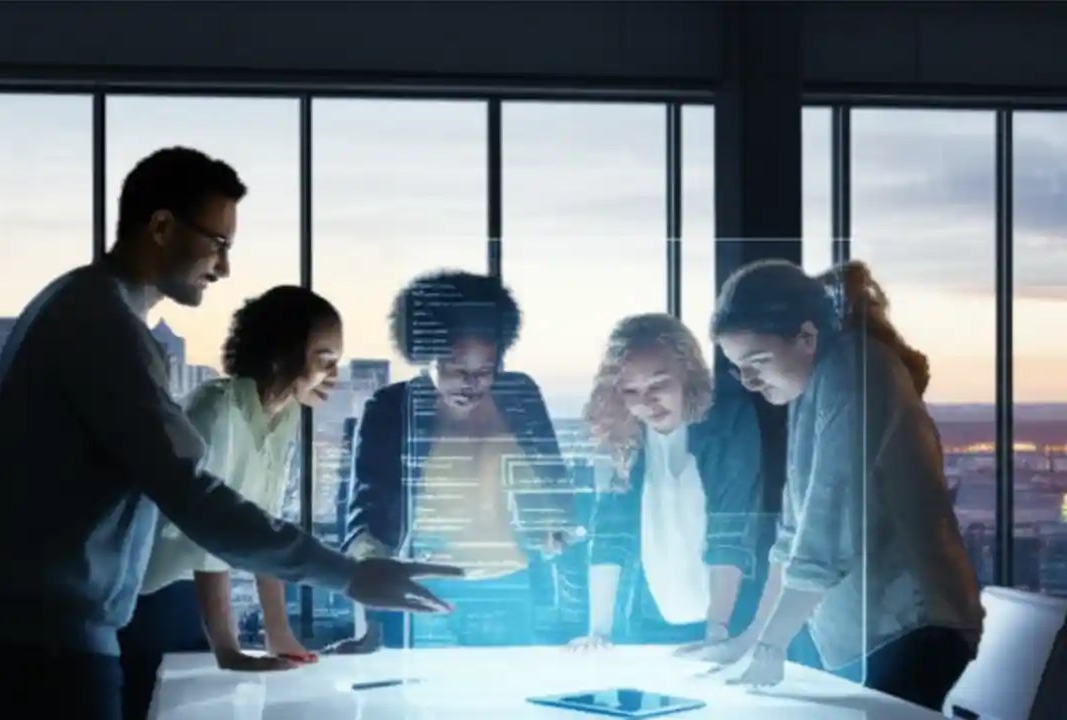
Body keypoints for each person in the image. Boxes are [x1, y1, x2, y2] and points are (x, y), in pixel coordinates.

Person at [0, 147, 460, 720]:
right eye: (218, 244)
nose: (223, 268)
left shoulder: (84, 307)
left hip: (33, 619)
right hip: (42, 629)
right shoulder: (103, 328)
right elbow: (194, 499)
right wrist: (351, 575)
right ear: (161, 226)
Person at [697, 258, 983, 711]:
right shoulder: (814, 384)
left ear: (806, 338)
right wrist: (754, 638)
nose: (750, 382)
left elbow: (828, 527)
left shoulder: (855, 371)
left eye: (758, 362)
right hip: (872, 632)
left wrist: (772, 645)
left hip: (912, 627)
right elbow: (793, 536)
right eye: (738, 368)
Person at [326, 270, 582, 653]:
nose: (471, 384)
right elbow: (367, 513)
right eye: (456, 370)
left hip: (510, 584)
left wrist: (555, 529)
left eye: (484, 372)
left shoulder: (521, 395)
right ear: (425, 356)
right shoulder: (392, 407)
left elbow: (554, 482)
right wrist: (371, 620)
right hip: (422, 586)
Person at [117, 285, 342, 719]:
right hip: (148, 596)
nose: (334, 372)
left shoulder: (285, 415)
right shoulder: (215, 410)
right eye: (324, 358)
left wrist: (280, 633)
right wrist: (227, 647)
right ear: (282, 354)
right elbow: (209, 536)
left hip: (190, 600)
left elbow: (264, 530)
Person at [568, 314, 762, 650]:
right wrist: (599, 632)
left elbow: (731, 532)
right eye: (631, 391)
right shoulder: (626, 438)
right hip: (648, 620)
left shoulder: (730, 423)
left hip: (728, 621)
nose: (646, 401)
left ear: (688, 373)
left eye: (658, 384)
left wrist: (717, 629)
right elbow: (609, 535)